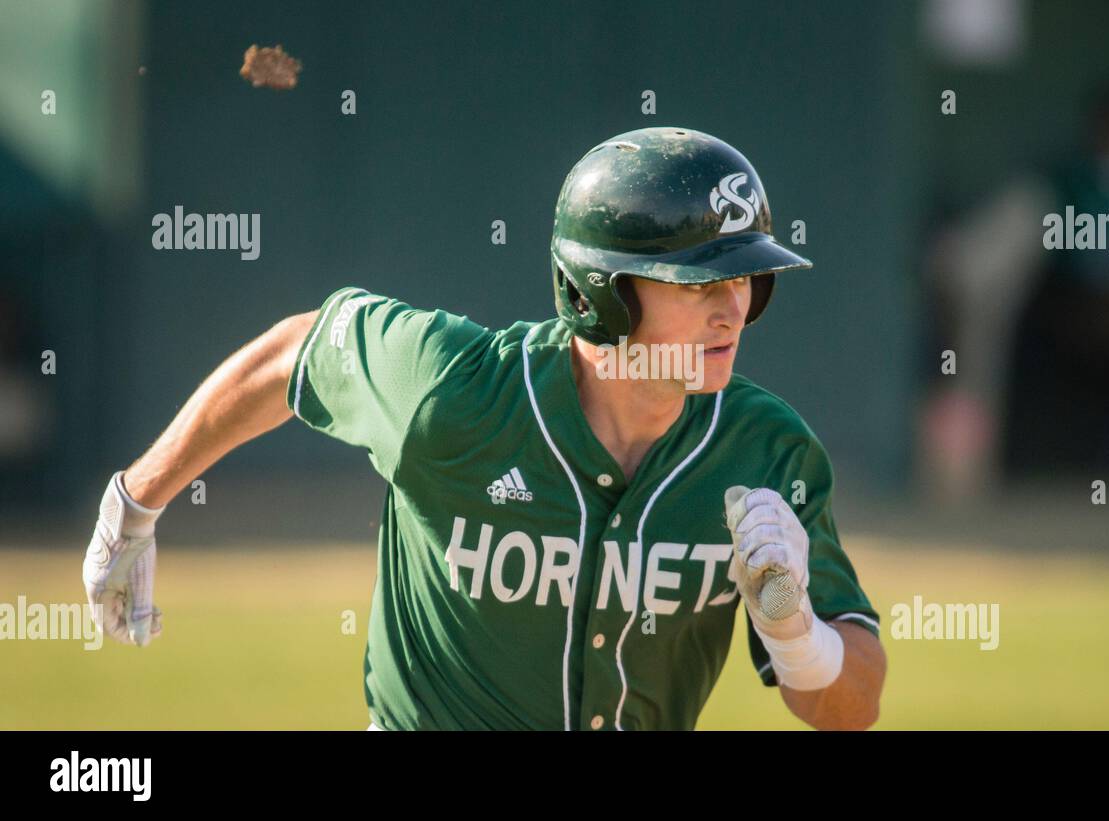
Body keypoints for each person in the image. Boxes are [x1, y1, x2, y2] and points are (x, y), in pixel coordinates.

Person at [82, 127, 886, 730]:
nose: (733, 306)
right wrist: (136, 501)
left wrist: (798, 633)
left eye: (745, 275)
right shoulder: (453, 390)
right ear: (598, 293)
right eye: (698, 280)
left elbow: (851, 705)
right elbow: (295, 352)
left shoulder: (767, 453)